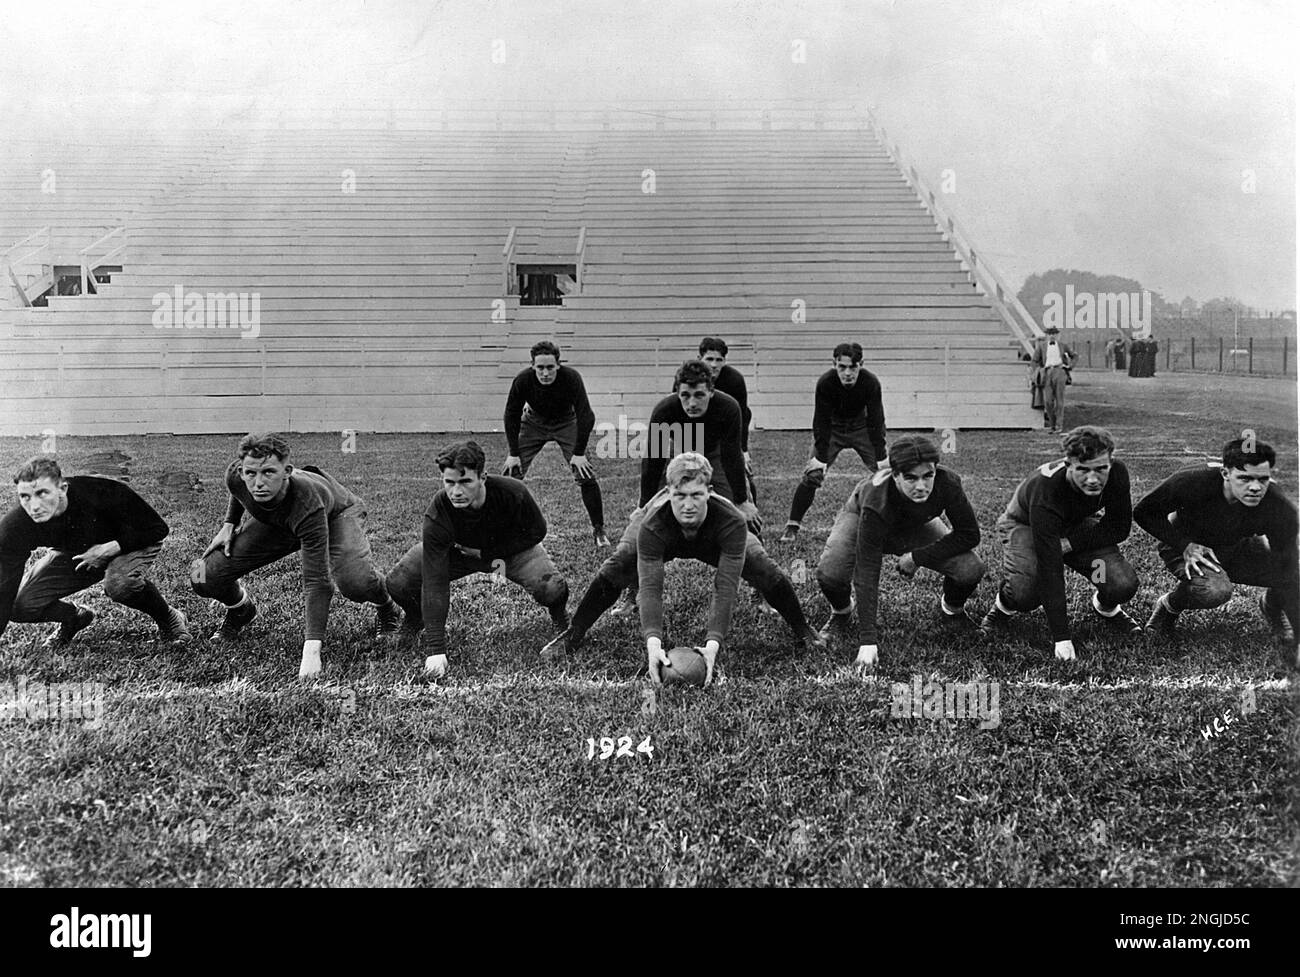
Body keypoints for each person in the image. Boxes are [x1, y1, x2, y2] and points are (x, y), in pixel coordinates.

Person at [541, 452, 823, 683]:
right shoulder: (652, 522)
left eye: (696, 495)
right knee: (621, 560)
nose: (688, 505)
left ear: (709, 492)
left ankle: (802, 629)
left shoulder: (732, 521)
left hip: (712, 537)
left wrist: (712, 646)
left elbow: (725, 588)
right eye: (680, 495)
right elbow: (652, 588)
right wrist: (653, 643)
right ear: (668, 492)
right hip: (663, 532)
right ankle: (575, 631)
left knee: (764, 567)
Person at [193, 432, 401, 679]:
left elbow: (317, 581)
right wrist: (229, 523)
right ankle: (241, 609)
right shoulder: (237, 473)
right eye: (251, 473)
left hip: (334, 514)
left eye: (269, 472)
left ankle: (387, 605)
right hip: (282, 523)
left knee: (354, 581)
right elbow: (239, 490)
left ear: (287, 471)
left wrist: (312, 652)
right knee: (203, 575)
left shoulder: (308, 501)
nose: (258, 483)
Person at [386, 440, 569, 680]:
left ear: (483, 477)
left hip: (508, 553)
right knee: (399, 581)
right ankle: (415, 617)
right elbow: (435, 580)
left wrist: (488, 553)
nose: (456, 491)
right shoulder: (439, 510)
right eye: (449, 482)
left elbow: (537, 532)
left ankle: (561, 619)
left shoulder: (512, 492)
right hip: (459, 554)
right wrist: (435, 650)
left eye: (465, 482)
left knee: (552, 588)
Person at [816, 435, 985, 669]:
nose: (921, 486)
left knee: (970, 569)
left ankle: (952, 609)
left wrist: (918, 556)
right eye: (910, 478)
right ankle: (841, 611)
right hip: (864, 518)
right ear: (895, 475)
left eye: (928, 476)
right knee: (831, 573)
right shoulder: (877, 498)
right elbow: (867, 568)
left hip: (914, 525)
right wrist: (868, 641)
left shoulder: (948, 483)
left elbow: (969, 535)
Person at [611, 359, 759, 619]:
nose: (691, 403)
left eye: (699, 395)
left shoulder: (728, 407)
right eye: (685, 395)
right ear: (676, 392)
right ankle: (630, 593)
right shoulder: (665, 410)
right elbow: (654, 459)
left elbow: (732, 455)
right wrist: (643, 504)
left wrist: (741, 500)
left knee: (746, 519)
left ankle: (761, 590)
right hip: (680, 451)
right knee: (642, 526)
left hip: (715, 454)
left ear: (711, 392)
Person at [979, 426, 1142, 657]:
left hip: (1076, 523)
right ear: (1068, 466)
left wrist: (1070, 543)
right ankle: (1003, 606)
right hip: (1026, 524)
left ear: (1110, 462)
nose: (1093, 479)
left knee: (1120, 583)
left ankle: (1105, 608)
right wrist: (1062, 639)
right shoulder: (1046, 489)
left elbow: (1118, 527)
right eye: (1083, 470)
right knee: (1025, 593)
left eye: (1101, 469)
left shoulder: (1117, 472)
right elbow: (1051, 569)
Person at [1136, 436, 1298, 665]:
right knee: (1215, 590)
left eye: (1262, 479)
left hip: (1238, 547)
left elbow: (1288, 562)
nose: (1255, 487)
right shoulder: (1193, 481)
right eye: (1244, 478)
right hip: (1186, 544)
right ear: (1225, 474)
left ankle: (1271, 605)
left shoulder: (1276, 503)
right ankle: (1168, 606)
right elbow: (1144, 512)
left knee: (1294, 572)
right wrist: (1184, 545)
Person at [0, 456, 188, 647]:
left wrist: (109, 548)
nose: (34, 506)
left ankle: (169, 618)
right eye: (25, 496)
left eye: (42, 493)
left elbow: (157, 529)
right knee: (20, 605)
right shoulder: (16, 525)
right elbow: (4, 587)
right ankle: (75, 617)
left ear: (63, 489)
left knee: (119, 584)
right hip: (79, 553)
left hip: (132, 542)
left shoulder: (99, 492)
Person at [502, 341, 608, 547]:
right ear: (532, 366)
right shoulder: (523, 380)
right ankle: (504, 529)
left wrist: (579, 453)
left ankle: (599, 529)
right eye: (540, 367)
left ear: (558, 365)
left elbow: (586, 415)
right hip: (534, 422)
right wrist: (513, 452)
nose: (545, 373)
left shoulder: (571, 378)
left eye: (550, 367)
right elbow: (511, 414)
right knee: (510, 474)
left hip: (566, 422)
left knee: (585, 473)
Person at [778, 342, 887, 543]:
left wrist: (880, 455)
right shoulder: (826, 383)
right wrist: (820, 457)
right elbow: (821, 421)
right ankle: (792, 525)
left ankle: (894, 523)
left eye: (853, 367)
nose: (847, 373)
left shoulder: (870, 382)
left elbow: (876, 420)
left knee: (886, 474)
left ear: (861, 364)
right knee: (812, 475)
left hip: (861, 427)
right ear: (833, 364)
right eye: (842, 367)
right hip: (833, 428)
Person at [1031, 327, 1074, 434]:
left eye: (1054, 333)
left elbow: (1074, 356)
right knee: (1048, 401)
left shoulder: (1063, 345)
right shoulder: (1041, 346)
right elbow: (1034, 361)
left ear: (1058, 335)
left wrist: (1069, 366)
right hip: (1047, 372)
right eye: (1050, 334)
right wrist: (1039, 371)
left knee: (1059, 400)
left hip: (1059, 371)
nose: (1052, 336)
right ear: (1046, 335)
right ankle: (1052, 425)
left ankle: (1059, 426)